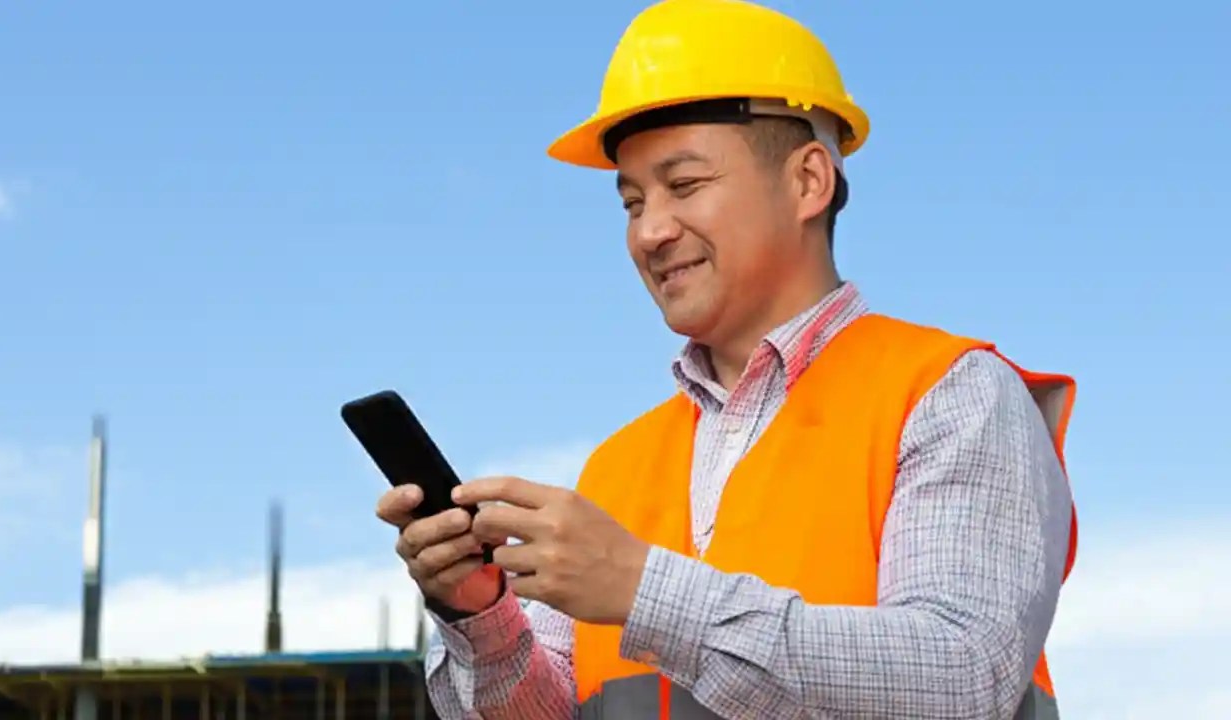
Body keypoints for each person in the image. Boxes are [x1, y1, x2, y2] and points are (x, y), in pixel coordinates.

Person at [375, 0, 1079, 717]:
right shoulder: (616, 470)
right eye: (630, 201)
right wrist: (480, 617)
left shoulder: (948, 395)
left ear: (808, 182)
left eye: (684, 185)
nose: (649, 231)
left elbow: (963, 673)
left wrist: (643, 590)